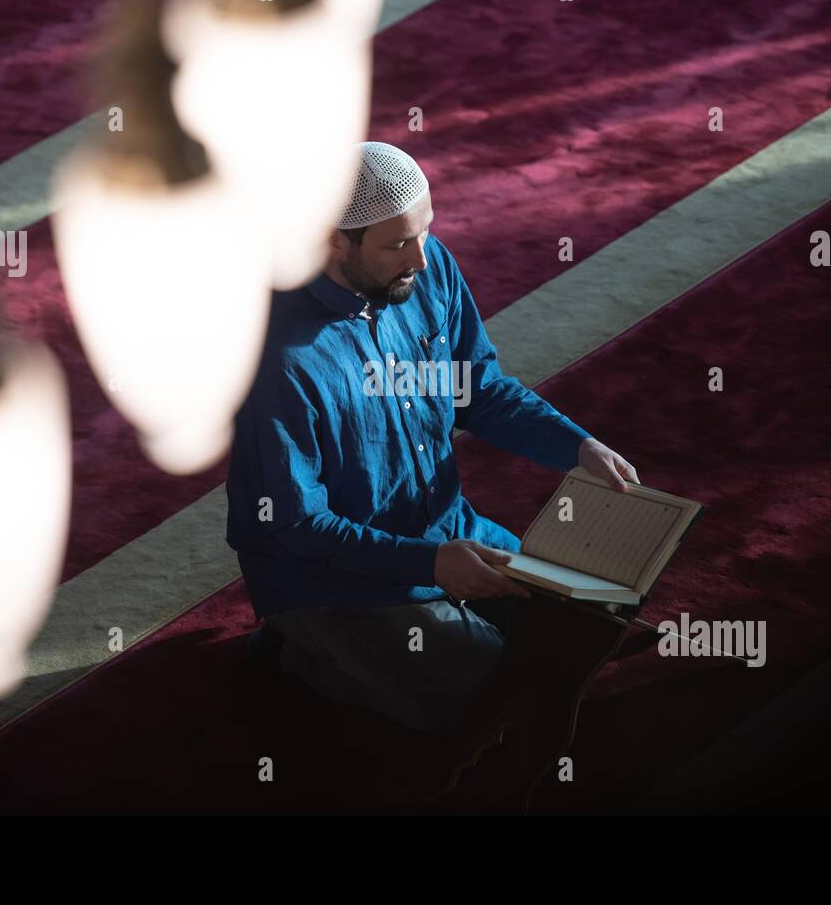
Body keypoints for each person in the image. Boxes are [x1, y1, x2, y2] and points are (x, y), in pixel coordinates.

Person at [225, 141, 640, 735]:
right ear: (333, 241)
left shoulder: (427, 265)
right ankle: (301, 648)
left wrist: (577, 447)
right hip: (336, 579)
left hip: (449, 531)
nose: (421, 259)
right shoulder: (277, 359)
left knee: (595, 620)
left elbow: (478, 390)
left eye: (426, 232)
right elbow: (290, 524)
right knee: (487, 696)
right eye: (397, 243)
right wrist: (427, 563)